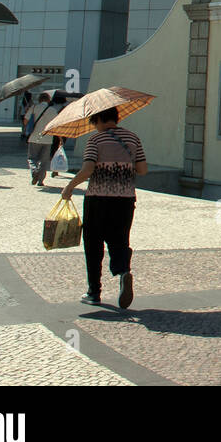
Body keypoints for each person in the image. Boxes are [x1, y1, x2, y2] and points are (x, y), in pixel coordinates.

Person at [61, 107, 147, 308]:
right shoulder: (133, 138)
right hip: (125, 199)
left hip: (98, 199)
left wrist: (69, 187)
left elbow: (88, 169)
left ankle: (94, 292)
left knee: (93, 244)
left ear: (99, 119)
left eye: (94, 121)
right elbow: (142, 170)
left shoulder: (95, 140)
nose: (94, 125)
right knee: (119, 240)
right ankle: (123, 271)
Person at [25, 92, 59, 186]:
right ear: (48, 100)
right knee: (44, 161)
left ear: (39, 99)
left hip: (34, 137)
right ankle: (41, 181)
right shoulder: (53, 110)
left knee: (32, 158)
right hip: (48, 139)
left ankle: (34, 171)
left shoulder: (34, 108)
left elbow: (25, 121)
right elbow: (56, 124)